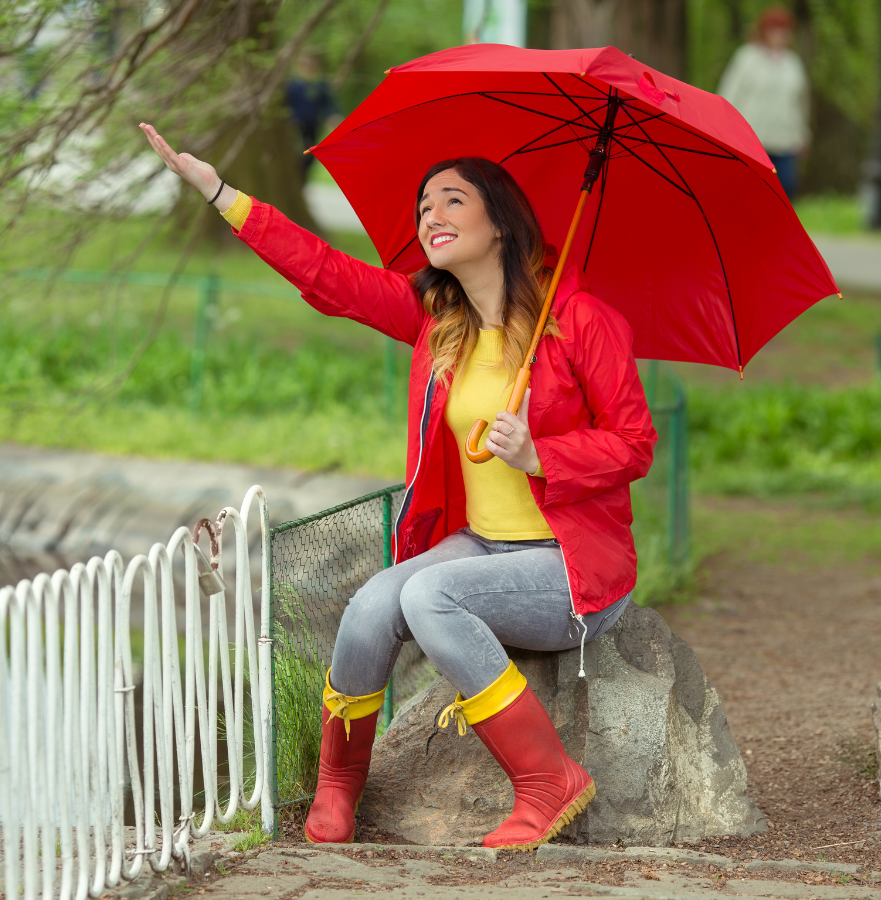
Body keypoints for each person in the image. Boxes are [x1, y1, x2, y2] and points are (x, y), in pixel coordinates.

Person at [139, 122, 655, 850]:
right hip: (484, 546)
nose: (430, 218)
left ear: (500, 224)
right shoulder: (440, 324)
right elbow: (326, 275)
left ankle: (549, 781)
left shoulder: (580, 322)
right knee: (370, 603)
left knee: (426, 593)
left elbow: (636, 445)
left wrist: (545, 455)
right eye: (423, 209)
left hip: (569, 568)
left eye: (452, 201)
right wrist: (221, 194)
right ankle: (339, 785)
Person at [717, 5, 810, 200]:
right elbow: (728, 96)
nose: (780, 36)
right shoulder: (746, 58)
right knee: (754, 193)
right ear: (764, 31)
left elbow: (801, 103)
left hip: (785, 139)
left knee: (786, 189)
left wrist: (802, 136)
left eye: (784, 31)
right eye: (775, 30)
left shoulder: (793, 63)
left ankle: (781, 231)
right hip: (753, 139)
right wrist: (725, 131)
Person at [285, 52, 340, 181]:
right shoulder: (292, 85)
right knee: (295, 153)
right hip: (294, 125)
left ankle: (301, 180)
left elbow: (329, 104)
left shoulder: (320, 85)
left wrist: (332, 116)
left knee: (308, 154)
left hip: (312, 126)